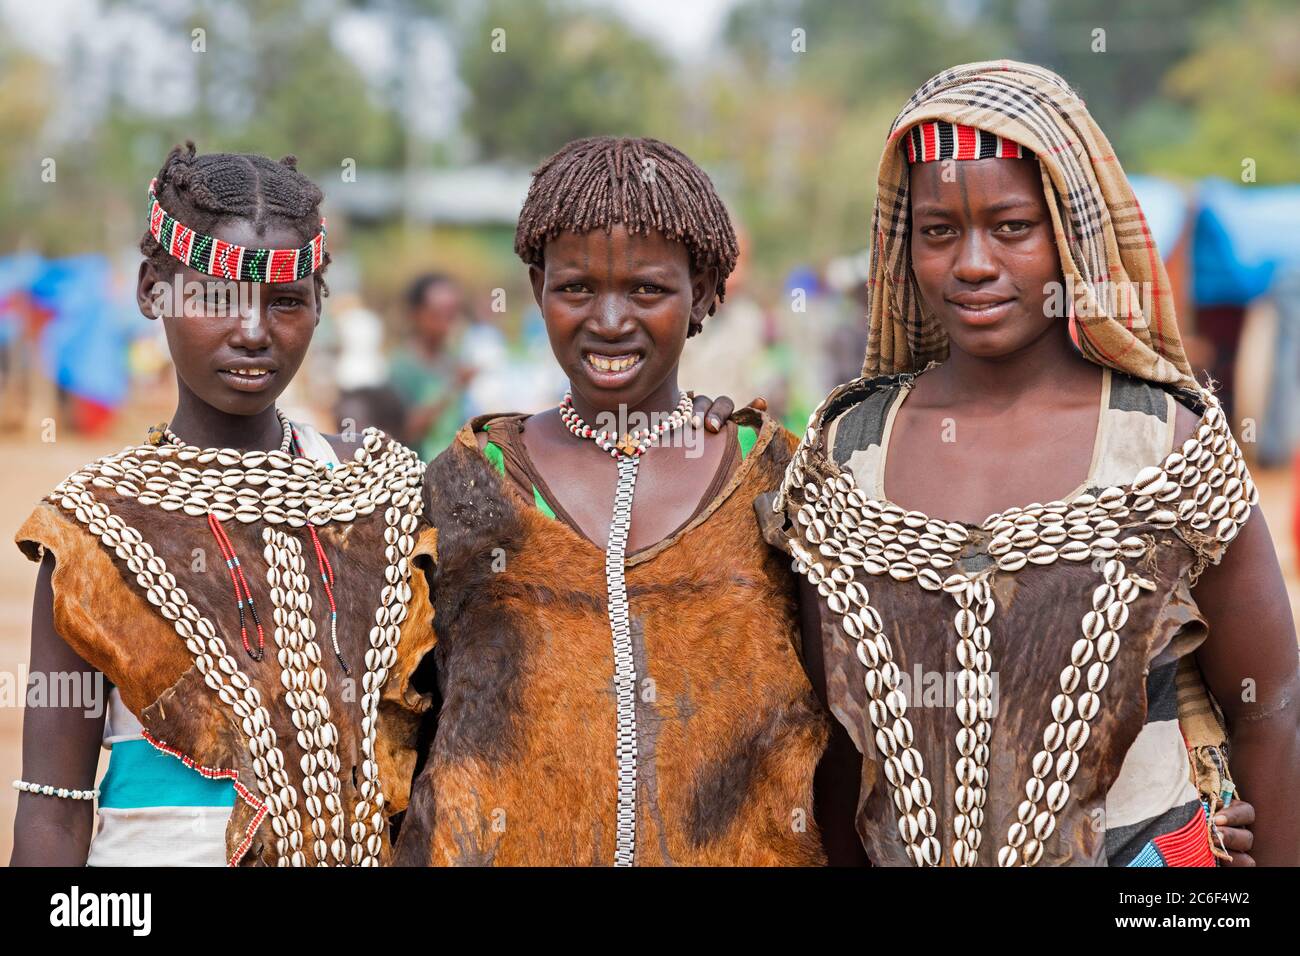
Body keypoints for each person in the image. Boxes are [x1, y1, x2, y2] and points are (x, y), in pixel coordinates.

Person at [762, 62, 1292, 866]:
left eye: (1011, 227)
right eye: (940, 232)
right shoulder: (847, 455)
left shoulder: (1163, 446)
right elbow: (830, 741)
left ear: (1071, 237)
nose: (974, 263)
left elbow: (1272, 708)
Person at [394, 136, 826, 866]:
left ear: (707, 293)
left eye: (648, 290)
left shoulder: (772, 477)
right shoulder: (466, 482)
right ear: (536, 290)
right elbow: (413, 727)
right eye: (576, 289)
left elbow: (836, 733)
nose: (611, 320)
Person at [11, 144, 433, 866]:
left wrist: (688, 425)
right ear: (153, 291)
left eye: (287, 301)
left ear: (319, 306)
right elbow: (53, 815)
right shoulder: (92, 531)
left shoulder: (383, 495)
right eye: (215, 296)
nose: (252, 332)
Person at [388, 273, 475, 459]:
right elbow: (406, 430)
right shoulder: (402, 367)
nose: (447, 322)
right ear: (416, 314)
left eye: (452, 313)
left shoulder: (454, 358)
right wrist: (454, 386)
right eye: (438, 314)